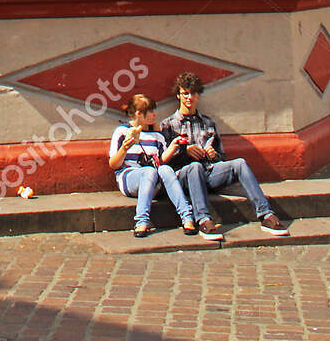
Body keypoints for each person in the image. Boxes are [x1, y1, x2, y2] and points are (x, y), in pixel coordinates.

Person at [160, 72, 290, 242]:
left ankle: (266, 215)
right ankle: (204, 220)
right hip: (186, 176)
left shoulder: (208, 123)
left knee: (240, 163)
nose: (189, 97)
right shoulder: (168, 125)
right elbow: (164, 162)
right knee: (195, 167)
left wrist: (214, 155)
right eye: (185, 93)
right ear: (178, 95)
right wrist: (184, 152)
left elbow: (222, 155)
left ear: (198, 95)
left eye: (193, 93)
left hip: (210, 172)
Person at [109, 94, 199, 238]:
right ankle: (141, 221)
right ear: (139, 114)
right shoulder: (122, 132)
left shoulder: (157, 135)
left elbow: (160, 162)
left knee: (165, 169)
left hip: (154, 178)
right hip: (129, 178)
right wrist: (124, 148)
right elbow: (113, 164)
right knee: (149, 172)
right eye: (150, 111)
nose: (154, 114)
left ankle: (187, 217)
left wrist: (173, 147)